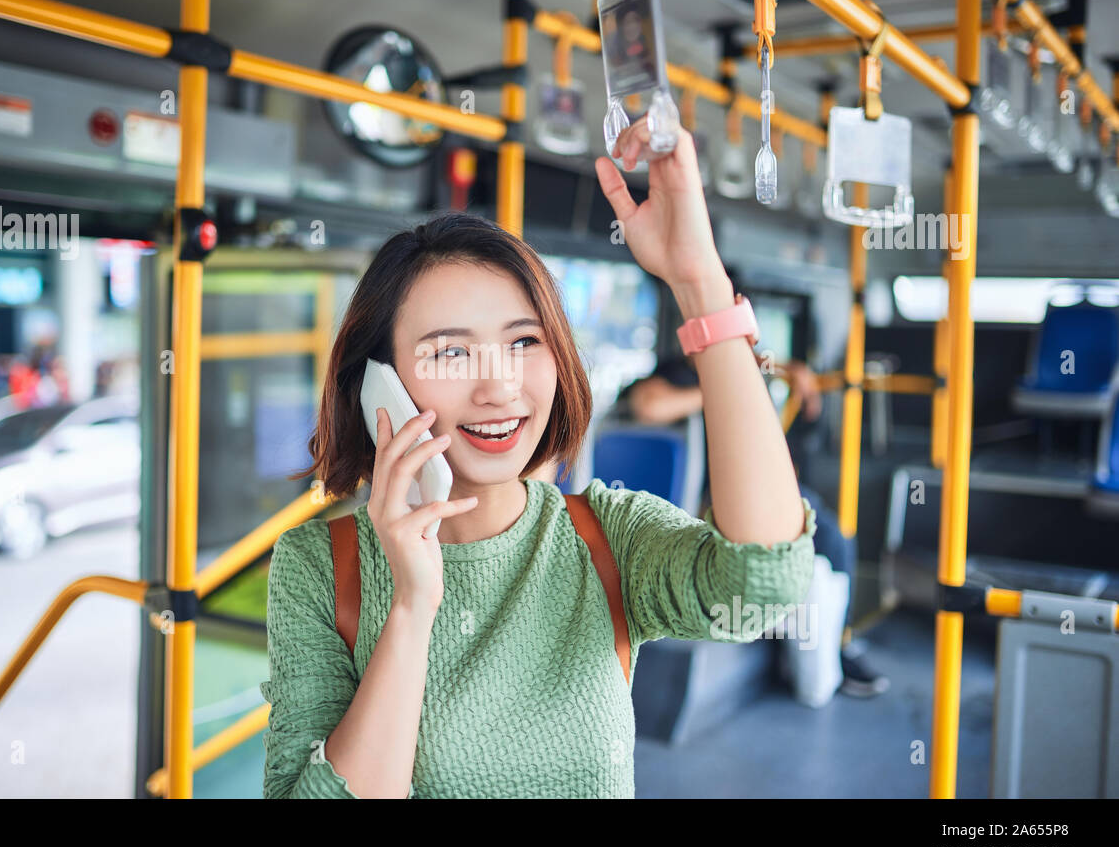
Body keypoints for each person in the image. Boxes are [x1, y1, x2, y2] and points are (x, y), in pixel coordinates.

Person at [260, 116, 816, 798]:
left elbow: (761, 587)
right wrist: (411, 603)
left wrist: (700, 282)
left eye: (523, 341)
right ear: (380, 383)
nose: (499, 385)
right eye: (451, 350)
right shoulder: (321, 566)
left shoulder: (605, 534)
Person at [617, 346, 891, 699]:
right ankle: (827, 648)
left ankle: (836, 641)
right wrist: (722, 388)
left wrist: (790, 370)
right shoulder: (682, 373)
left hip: (752, 485)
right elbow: (648, 406)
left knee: (834, 537)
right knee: (825, 537)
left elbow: (764, 369)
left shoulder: (744, 368)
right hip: (711, 497)